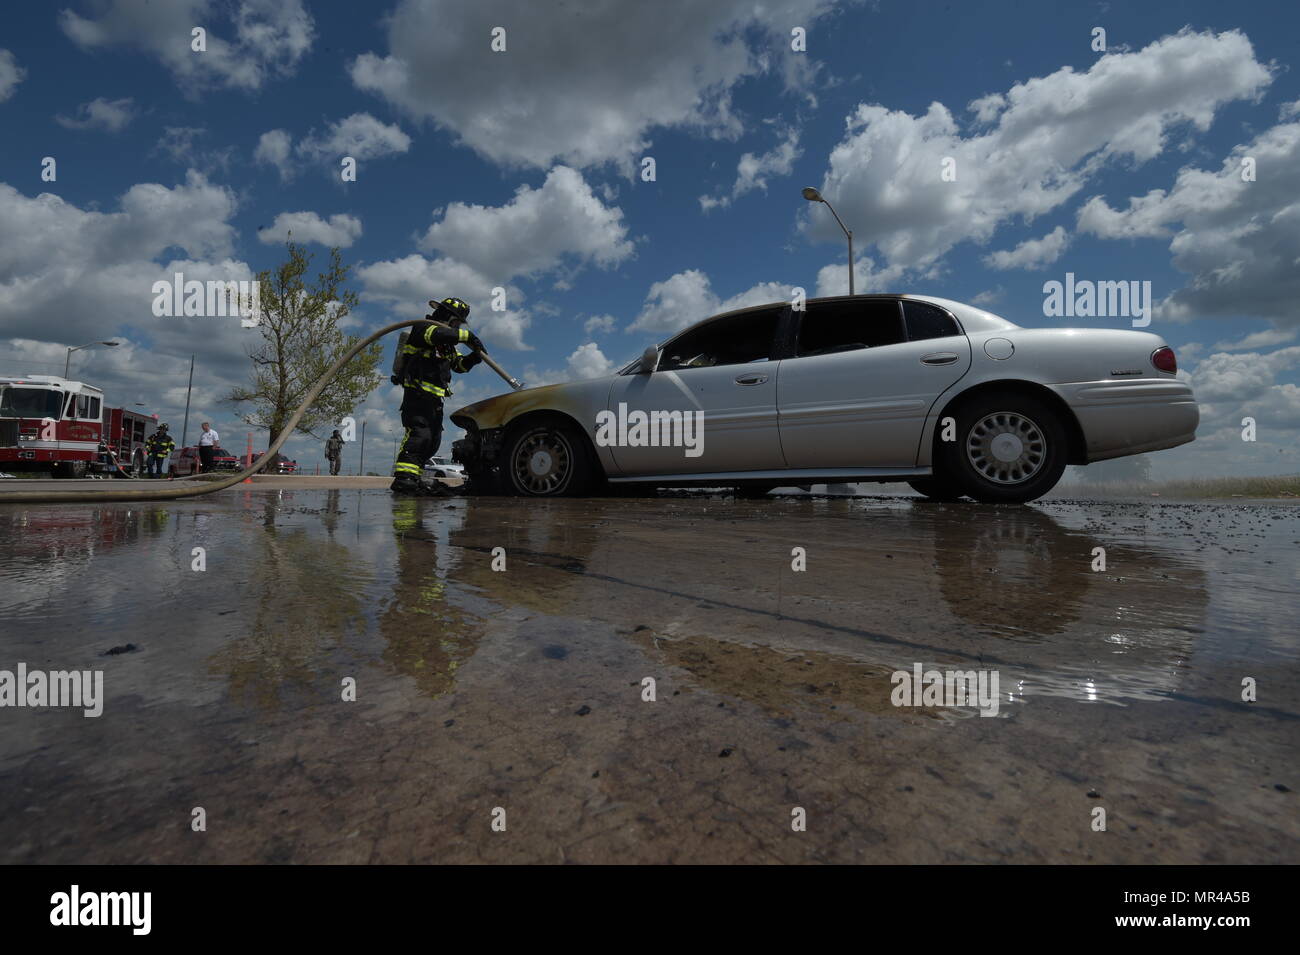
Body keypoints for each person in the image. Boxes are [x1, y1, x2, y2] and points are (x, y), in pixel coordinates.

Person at [390, 296, 484, 496]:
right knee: (419, 435)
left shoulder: (446, 346)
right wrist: (467, 336)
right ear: (448, 317)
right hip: (417, 396)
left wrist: (475, 357)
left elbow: (459, 366)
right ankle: (404, 479)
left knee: (433, 440)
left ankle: (415, 477)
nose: (458, 327)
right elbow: (436, 334)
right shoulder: (423, 328)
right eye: (457, 322)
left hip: (435, 401)